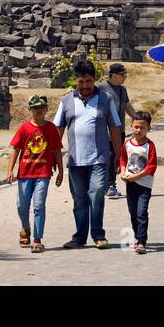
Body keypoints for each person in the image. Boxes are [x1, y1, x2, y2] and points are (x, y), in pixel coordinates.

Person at [53, 60, 122, 249]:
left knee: (98, 193)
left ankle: (98, 235)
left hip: (99, 158)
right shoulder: (66, 101)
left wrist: (118, 154)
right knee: (80, 199)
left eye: (89, 82)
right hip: (75, 160)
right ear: (75, 81)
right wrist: (52, 154)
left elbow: (115, 128)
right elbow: (57, 130)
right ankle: (79, 237)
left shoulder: (105, 99)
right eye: (81, 82)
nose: (85, 86)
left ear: (94, 81)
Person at [8, 94, 62, 252]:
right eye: (36, 108)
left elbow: (57, 150)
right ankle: (25, 228)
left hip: (43, 173)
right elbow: (15, 150)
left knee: (39, 206)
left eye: (42, 107)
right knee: (21, 206)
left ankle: (38, 239)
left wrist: (60, 171)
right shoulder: (24, 128)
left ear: (46, 109)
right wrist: (10, 170)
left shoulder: (51, 128)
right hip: (25, 173)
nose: (39, 110)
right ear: (30, 110)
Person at [118, 110, 157, 255]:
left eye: (142, 127)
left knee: (141, 212)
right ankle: (136, 235)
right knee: (133, 212)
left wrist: (136, 177)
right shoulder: (127, 144)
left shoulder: (149, 146)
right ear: (131, 126)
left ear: (148, 128)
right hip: (130, 184)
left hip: (144, 185)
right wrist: (123, 172)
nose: (138, 130)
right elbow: (123, 159)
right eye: (136, 127)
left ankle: (141, 241)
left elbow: (151, 167)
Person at [100, 63, 136, 199]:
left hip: (119, 130)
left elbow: (127, 106)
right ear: (114, 75)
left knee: (116, 157)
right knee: (109, 156)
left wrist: (138, 118)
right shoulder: (101, 88)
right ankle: (110, 185)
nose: (125, 77)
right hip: (105, 131)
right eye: (123, 74)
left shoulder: (122, 90)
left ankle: (109, 184)